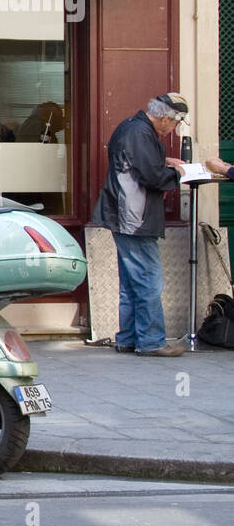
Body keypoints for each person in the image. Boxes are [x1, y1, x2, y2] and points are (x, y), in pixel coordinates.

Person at [88, 92, 189, 357]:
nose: (174, 129)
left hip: (125, 215)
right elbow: (152, 177)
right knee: (148, 280)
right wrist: (177, 172)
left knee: (132, 281)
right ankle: (152, 341)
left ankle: (129, 338)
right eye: (176, 123)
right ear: (166, 118)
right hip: (135, 216)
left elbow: (133, 161)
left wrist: (164, 161)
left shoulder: (131, 126)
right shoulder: (141, 133)